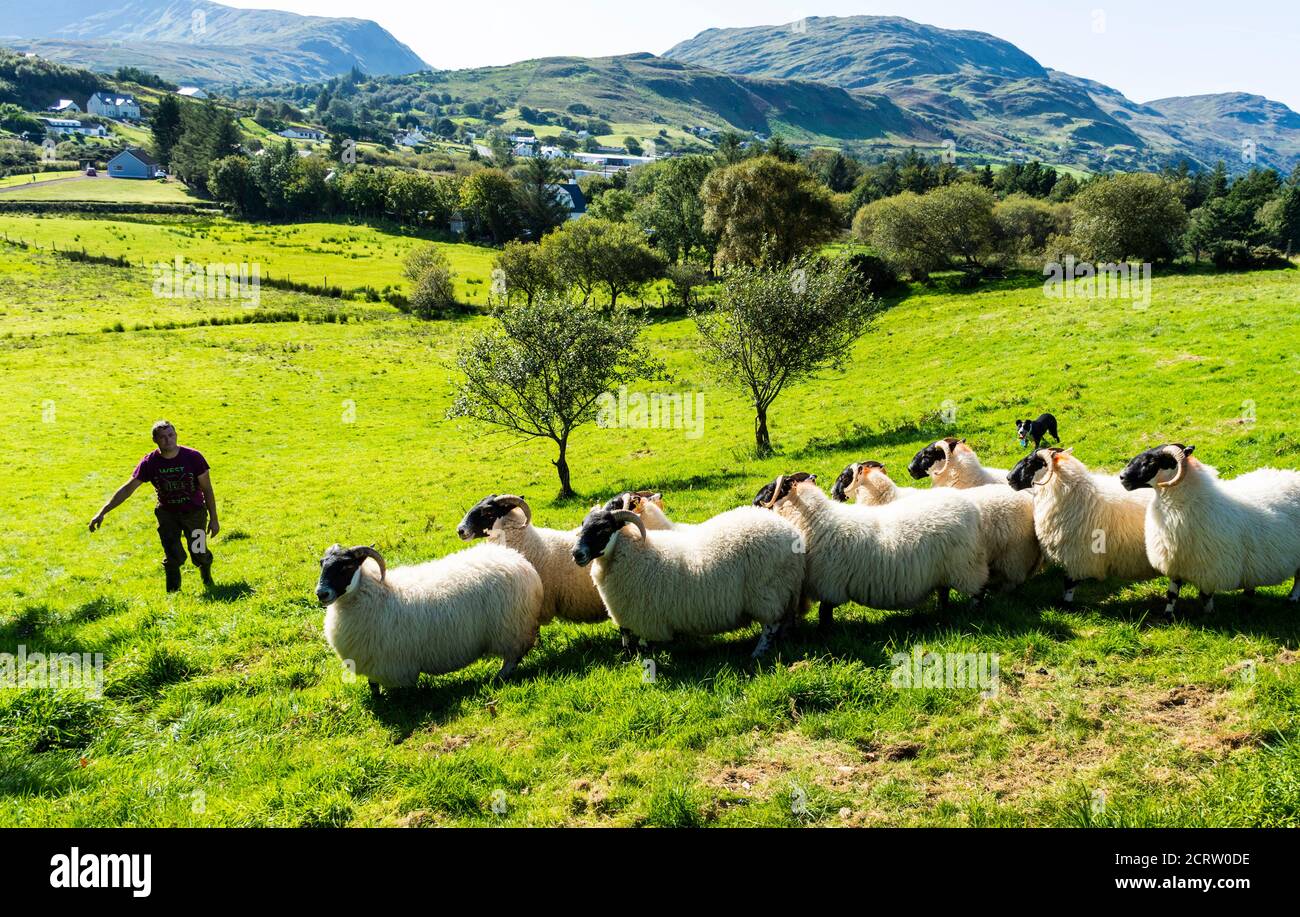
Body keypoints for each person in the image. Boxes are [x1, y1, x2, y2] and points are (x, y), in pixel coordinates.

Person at [89, 420, 220, 593]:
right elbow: (128, 489)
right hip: (168, 515)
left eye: (171, 435)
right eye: (162, 437)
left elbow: (207, 489)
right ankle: (173, 593)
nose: (168, 440)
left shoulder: (193, 457)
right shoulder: (150, 462)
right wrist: (102, 511)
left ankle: (206, 578)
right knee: (173, 555)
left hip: (194, 513)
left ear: (176, 435)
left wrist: (214, 519)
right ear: (155, 440)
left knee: (199, 550)